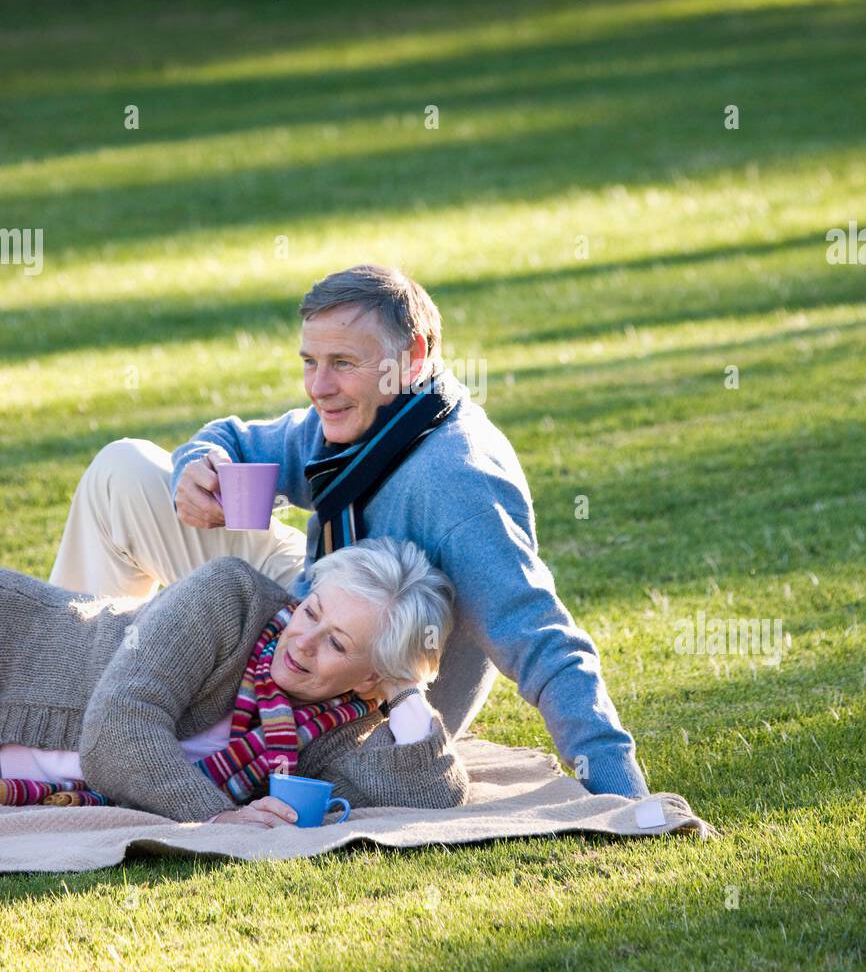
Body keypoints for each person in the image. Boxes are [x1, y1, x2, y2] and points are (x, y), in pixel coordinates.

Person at [49, 263, 650, 800]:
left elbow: (542, 638)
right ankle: (79, 678)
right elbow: (234, 437)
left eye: (342, 364)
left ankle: (85, 725)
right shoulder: (375, 417)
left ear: (412, 356)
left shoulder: (459, 480)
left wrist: (618, 790)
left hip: (363, 682)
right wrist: (199, 467)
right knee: (123, 471)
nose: (319, 387)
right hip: (316, 604)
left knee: (248, 602)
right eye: (310, 362)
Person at [0, 538, 469, 824]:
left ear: (371, 678)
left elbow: (431, 793)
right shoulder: (228, 597)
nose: (303, 642)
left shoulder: (335, 731)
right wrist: (217, 816)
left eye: (337, 644)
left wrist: (404, 689)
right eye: (311, 611)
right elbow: (115, 731)